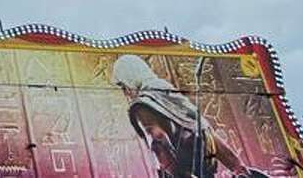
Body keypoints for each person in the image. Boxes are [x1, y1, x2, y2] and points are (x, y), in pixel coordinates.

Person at [111, 55, 266, 178]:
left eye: (122, 85)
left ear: (128, 80)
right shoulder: (165, 90)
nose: (124, 91)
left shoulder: (141, 106)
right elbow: (206, 131)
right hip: (205, 166)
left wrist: (177, 174)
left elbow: (157, 139)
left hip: (183, 170)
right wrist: (238, 167)